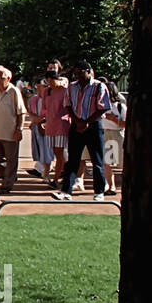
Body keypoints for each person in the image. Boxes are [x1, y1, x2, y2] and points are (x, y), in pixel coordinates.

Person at [53, 61, 111, 201]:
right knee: (73, 159)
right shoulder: (72, 87)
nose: (77, 76)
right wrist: (77, 122)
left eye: (80, 73)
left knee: (97, 160)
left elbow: (103, 107)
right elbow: (68, 105)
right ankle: (66, 191)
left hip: (93, 126)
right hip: (76, 125)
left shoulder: (99, 86)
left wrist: (87, 122)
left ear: (88, 71)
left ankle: (99, 192)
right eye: (76, 73)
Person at [0, 65, 26, 193]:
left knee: (11, 159)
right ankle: (8, 174)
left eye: (1, 78)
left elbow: (21, 112)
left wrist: (19, 129)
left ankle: (7, 185)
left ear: (8, 78)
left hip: (10, 133)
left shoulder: (14, 91)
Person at [41, 69, 70, 187]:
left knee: (60, 152)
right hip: (50, 126)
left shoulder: (64, 91)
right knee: (55, 152)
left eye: (52, 80)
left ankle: (57, 178)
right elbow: (44, 108)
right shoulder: (46, 92)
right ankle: (62, 174)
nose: (50, 83)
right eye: (48, 81)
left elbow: (68, 108)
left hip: (61, 125)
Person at [100, 77, 126, 194]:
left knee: (121, 162)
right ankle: (111, 186)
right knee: (106, 162)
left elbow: (126, 123)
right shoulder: (101, 105)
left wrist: (115, 120)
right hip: (105, 133)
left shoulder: (120, 107)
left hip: (117, 134)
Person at [27, 76, 54, 177]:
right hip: (36, 126)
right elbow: (30, 111)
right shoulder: (34, 99)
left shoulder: (50, 98)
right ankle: (41, 168)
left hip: (46, 126)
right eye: (37, 87)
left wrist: (43, 120)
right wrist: (34, 119)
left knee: (46, 149)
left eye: (40, 87)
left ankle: (46, 170)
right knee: (38, 148)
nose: (38, 89)